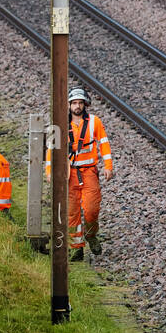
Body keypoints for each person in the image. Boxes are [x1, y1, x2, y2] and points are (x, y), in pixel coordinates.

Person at [45, 88, 114, 261]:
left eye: (80, 103)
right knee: (71, 212)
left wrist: (108, 166)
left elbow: (103, 143)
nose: (77, 106)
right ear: (68, 105)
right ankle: (77, 248)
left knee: (92, 209)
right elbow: (50, 151)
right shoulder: (59, 124)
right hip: (68, 174)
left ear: (85, 104)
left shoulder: (94, 122)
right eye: (74, 103)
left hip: (89, 172)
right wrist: (49, 172)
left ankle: (91, 235)